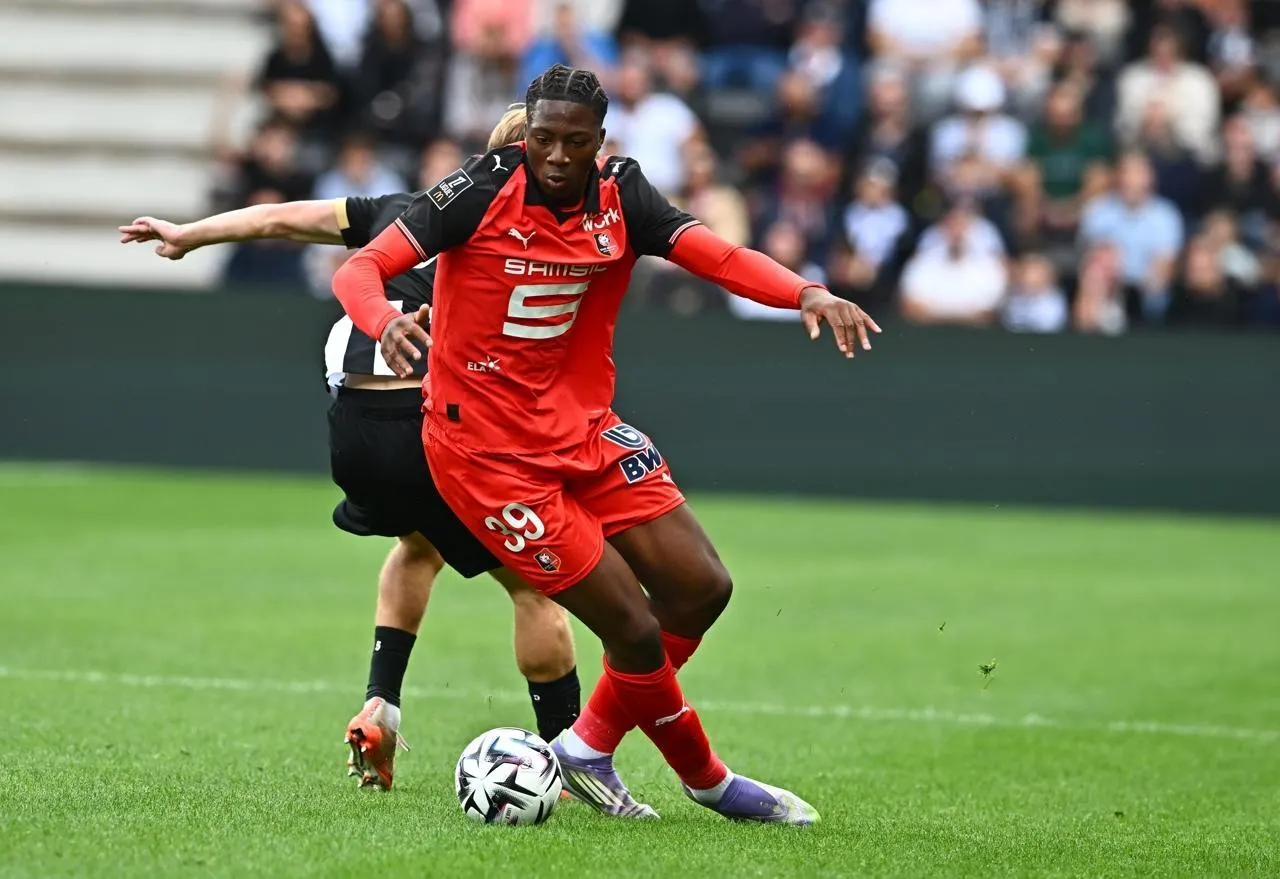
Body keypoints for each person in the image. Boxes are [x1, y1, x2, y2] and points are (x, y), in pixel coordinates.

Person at [332, 64, 880, 823]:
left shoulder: (624, 195)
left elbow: (714, 255)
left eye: (575, 142)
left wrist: (805, 292)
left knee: (703, 587)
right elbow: (362, 267)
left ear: (600, 141)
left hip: (583, 430)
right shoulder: (480, 190)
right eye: (545, 139)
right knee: (633, 625)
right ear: (528, 133)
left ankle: (587, 743)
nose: (557, 156)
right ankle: (708, 778)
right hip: (487, 458)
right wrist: (382, 320)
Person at [118, 106, 580, 790]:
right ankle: (573, 762)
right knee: (537, 586)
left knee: (418, 545)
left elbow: (277, 218)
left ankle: (379, 705)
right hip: (427, 422)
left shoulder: (404, 207)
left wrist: (189, 235)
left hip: (354, 428)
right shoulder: (525, 232)